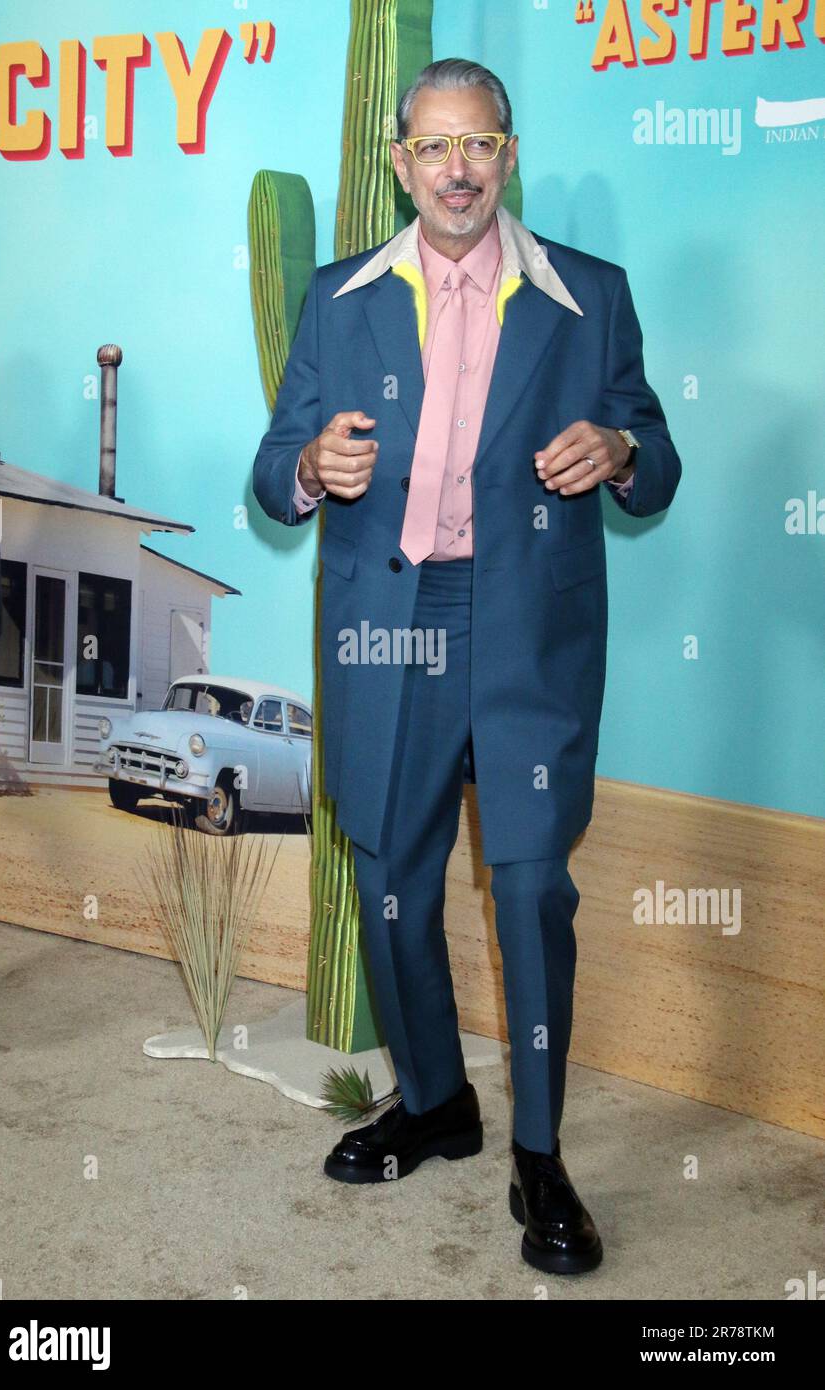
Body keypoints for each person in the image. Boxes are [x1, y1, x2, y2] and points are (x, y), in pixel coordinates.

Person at [252, 58, 681, 1275]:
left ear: (506, 154)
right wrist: (306, 470)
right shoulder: (338, 300)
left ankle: (538, 1157)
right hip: (389, 624)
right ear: (399, 162)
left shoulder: (584, 296)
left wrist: (617, 446)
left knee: (532, 885)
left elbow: (655, 450)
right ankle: (438, 1102)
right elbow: (273, 461)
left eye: (479, 145)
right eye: (433, 148)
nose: (456, 170)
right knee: (390, 872)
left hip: (525, 626)